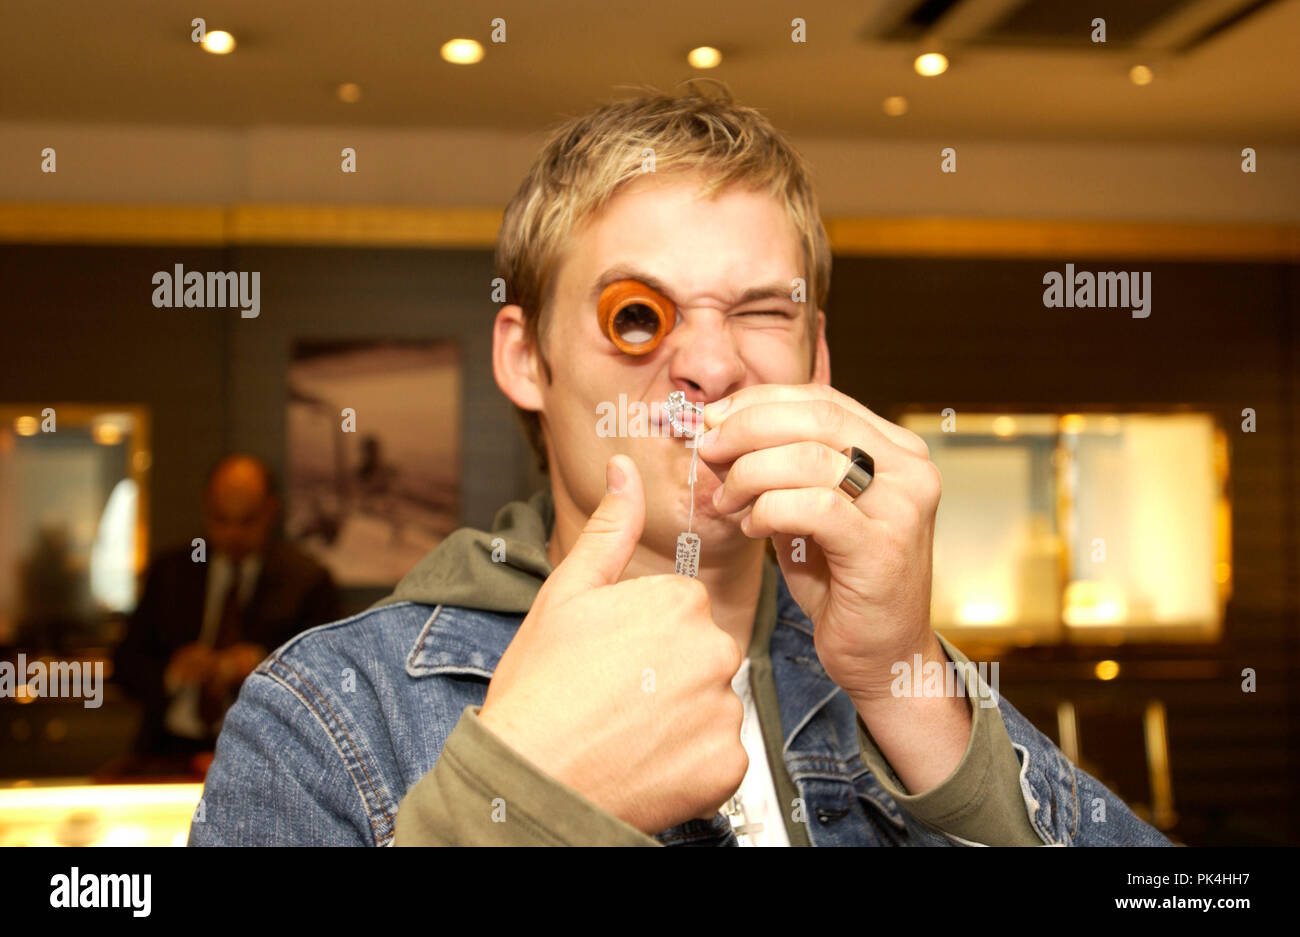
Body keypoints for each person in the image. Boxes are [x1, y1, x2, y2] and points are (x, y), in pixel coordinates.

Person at [191, 82, 1171, 846]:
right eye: (636, 316)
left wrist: (909, 685)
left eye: (759, 311)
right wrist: (516, 805)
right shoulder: (324, 713)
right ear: (525, 359)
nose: (708, 362)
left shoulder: (892, 677)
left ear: (816, 360)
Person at [115, 454, 341, 762]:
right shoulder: (172, 572)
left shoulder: (306, 581)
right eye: (221, 519)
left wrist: (263, 667)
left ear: (270, 510)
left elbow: (330, 681)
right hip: (170, 749)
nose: (233, 534)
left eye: (247, 521)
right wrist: (173, 671)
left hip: (264, 754)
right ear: (206, 508)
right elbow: (126, 665)